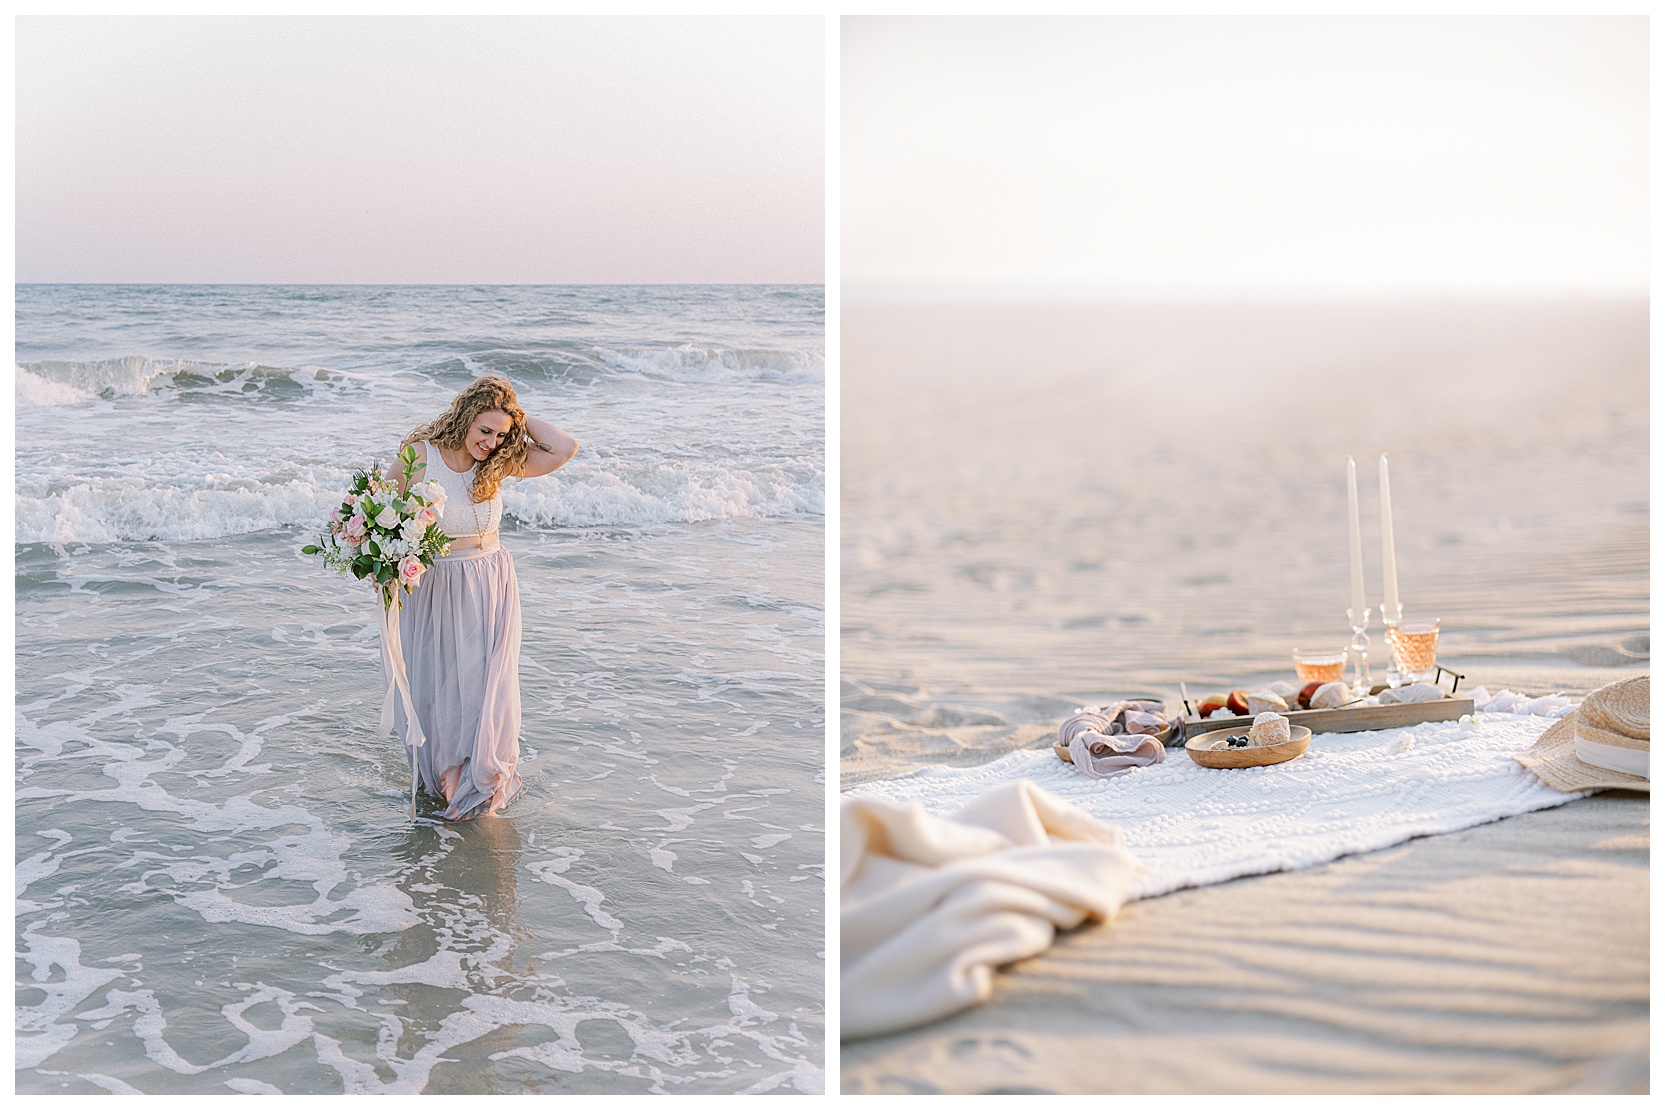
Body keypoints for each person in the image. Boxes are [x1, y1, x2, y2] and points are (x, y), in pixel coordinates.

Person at [384, 375, 577, 820]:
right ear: (466, 417)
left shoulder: (497, 463)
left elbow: (563, 448)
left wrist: (516, 418)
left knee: (488, 685)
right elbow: (381, 512)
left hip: (491, 582)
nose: (491, 442)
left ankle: (480, 776)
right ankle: (448, 776)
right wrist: (385, 566)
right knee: (442, 688)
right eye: (484, 430)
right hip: (437, 588)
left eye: (501, 434)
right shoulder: (421, 456)